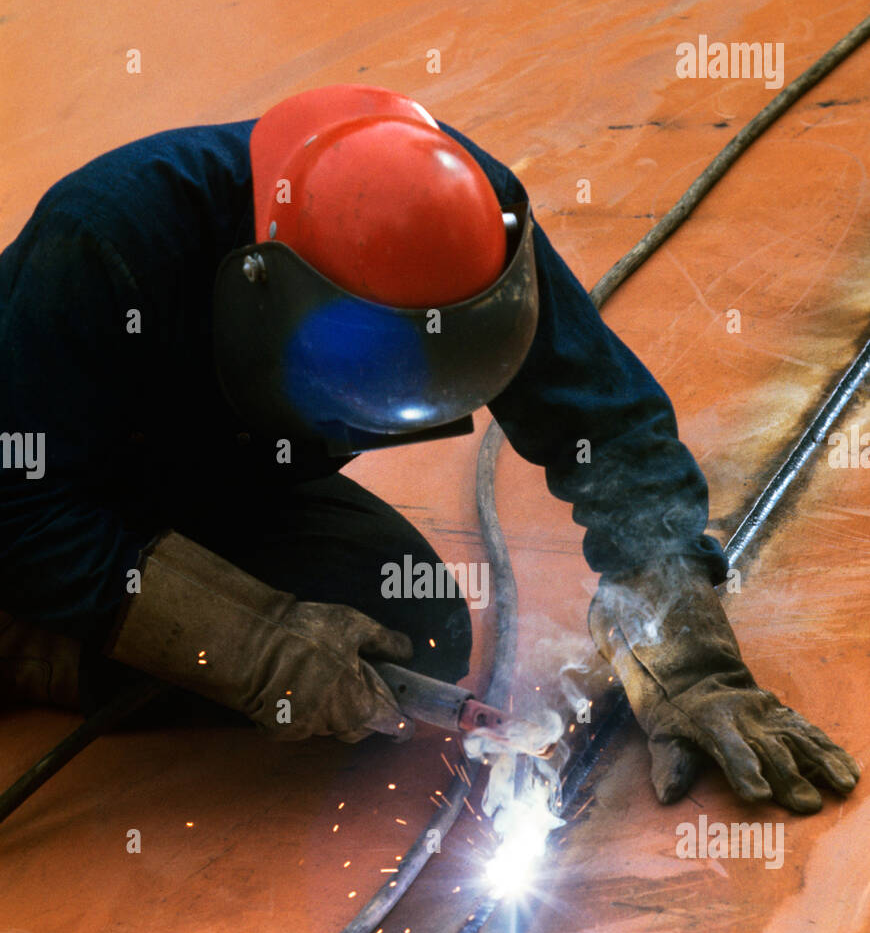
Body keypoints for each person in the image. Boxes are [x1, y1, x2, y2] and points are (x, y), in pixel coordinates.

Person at [0, 84, 858, 809]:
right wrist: (256, 643)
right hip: (44, 492)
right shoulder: (107, 243)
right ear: (266, 294)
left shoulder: (464, 223)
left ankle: (77, 647)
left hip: (224, 471)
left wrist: (686, 648)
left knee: (407, 636)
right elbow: (20, 501)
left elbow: (609, 425)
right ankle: (29, 642)